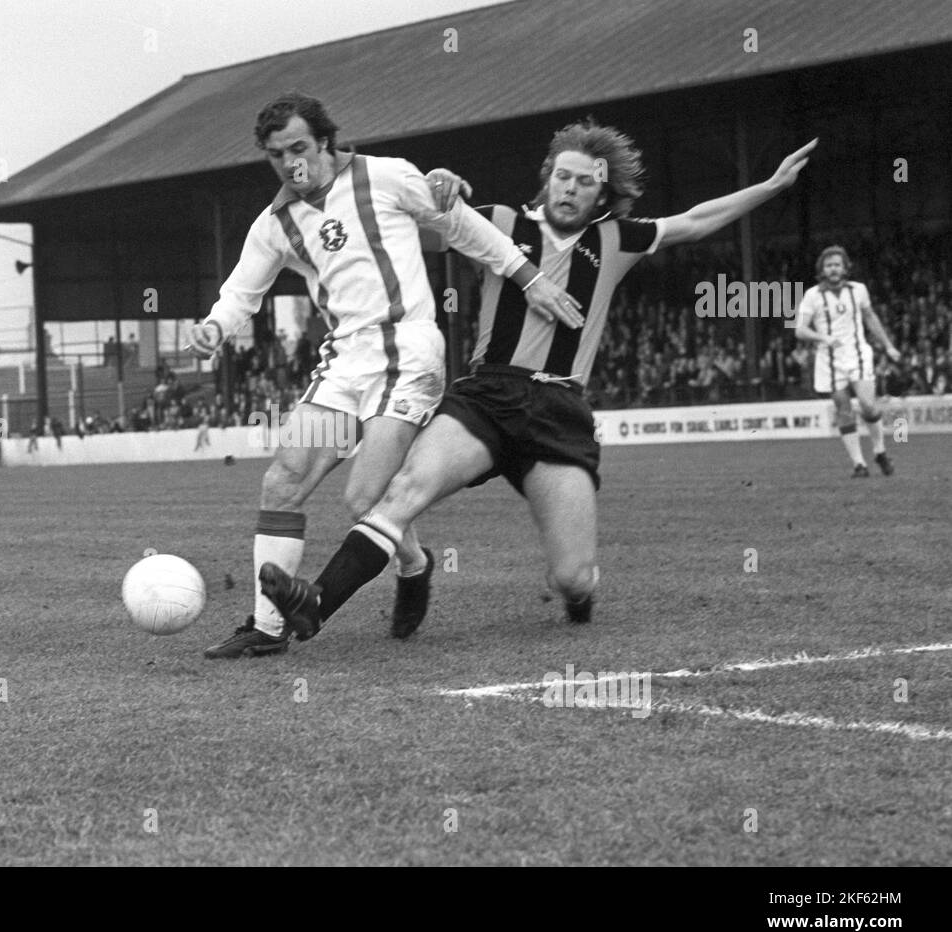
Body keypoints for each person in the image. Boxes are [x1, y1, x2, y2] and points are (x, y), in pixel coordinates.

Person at [257, 120, 818, 642]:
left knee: (571, 577)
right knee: (400, 493)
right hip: (484, 399)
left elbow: (695, 221)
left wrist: (770, 185)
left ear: (602, 193)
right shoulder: (499, 223)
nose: (571, 189)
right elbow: (399, 226)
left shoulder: (619, 239)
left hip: (558, 410)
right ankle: (316, 602)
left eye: (585, 183)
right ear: (547, 178)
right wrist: (439, 185)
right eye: (563, 176)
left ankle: (580, 592)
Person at [189, 91, 581, 659]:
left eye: (299, 147)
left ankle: (414, 566)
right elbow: (239, 294)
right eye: (276, 155)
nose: (291, 163)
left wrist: (528, 277)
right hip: (345, 359)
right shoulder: (273, 223)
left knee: (364, 496)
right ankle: (269, 627)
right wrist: (213, 327)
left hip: (410, 349)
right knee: (282, 479)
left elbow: (462, 223)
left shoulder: (387, 177)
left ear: (324, 140)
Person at [794, 245, 902, 476]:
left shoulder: (858, 290)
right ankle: (859, 464)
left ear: (845, 268)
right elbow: (800, 330)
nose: (833, 269)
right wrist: (823, 337)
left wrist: (889, 346)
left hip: (858, 354)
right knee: (843, 409)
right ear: (822, 269)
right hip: (830, 360)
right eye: (829, 265)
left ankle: (880, 451)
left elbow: (870, 318)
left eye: (837, 265)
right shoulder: (812, 295)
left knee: (868, 404)